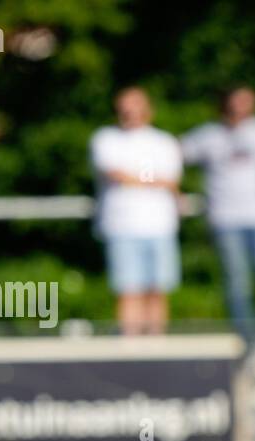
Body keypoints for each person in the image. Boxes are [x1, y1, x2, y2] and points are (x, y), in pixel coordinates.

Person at [181, 86, 255, 343]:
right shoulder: (208, 135)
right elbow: (174, 155)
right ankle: (245, 340)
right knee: (237, 283)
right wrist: (177, 193)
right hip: (225, 219)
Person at [89, 87, 183, 335]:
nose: (129, 112)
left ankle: (156, 348)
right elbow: (114, 172)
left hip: (160, 225)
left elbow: (171, 180)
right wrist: (151, 181)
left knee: (158, 290)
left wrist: (137, 180)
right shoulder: (106, 138)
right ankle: (131, 351)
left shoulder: (164, 141)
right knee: (128, 290)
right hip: (122, 225)